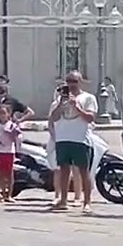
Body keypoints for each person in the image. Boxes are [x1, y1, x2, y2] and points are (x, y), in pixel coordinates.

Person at [49, 71, 98, 214]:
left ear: (81, 82)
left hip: (81, 139)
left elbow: (90, 118)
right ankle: (63, 200)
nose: (71, 84)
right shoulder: (60, 99)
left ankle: (87, 202)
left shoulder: (88, 98)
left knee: (83, 170)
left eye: (74, 81)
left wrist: (76, 106)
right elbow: (54, 118)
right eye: (69, 81)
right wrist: (61, 105)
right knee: (64, 170)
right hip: (63, 138)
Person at [0, 103, 22, 202]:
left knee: (9, 173)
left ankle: (9, 195)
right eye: (0, 113)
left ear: (9, 114)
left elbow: (17, 137)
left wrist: (11, 135)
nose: (2, 115)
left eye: (4, 113)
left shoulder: (12, 126)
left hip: (9, 151)